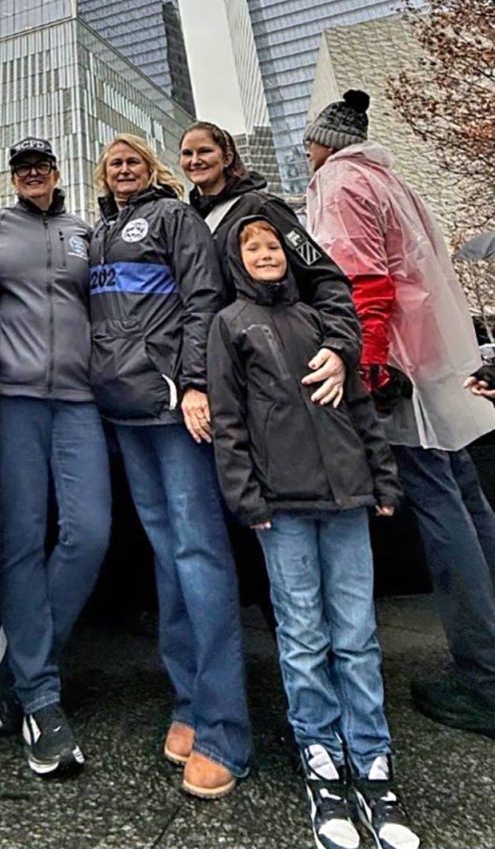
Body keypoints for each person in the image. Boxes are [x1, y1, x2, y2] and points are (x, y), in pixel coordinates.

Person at [209, 217, 418, 849]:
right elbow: (229, 418)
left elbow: (359, 404)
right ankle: (322, 764)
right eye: (253, 247)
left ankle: (372, 764)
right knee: (302, 635)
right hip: (283, 505)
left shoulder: (322, 322)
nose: (266, 253)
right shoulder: (230, 325)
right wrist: (247, 497)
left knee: (356, 635)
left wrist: (383, 480)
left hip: (348, 497)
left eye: (274, 245)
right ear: (236, 262)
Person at [305, 89, 495, 738]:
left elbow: (359, 280)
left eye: (308, 145)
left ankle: (483, 677)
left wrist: (369, 366)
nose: (306, 155)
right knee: (467, 496)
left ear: (323, 144)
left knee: (439, 504)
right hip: (438, 357)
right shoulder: (392, 181)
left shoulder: (336, 182)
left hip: (399, 364)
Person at [88, 134, 251, 799]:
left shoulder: (173, 218)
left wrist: (192, 383)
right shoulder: (98, 233)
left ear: (150, 169)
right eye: (112, 163)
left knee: (199, 556)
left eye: (132, 160)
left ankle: (225, 732)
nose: (122, 169)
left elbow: (201, 302)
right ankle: (187, 703)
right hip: (120, 414)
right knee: (167, 559)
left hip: (171, 410)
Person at [0, 137, 110, 775]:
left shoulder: (86, 229)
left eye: (42, 165)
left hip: (81, 399)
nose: (32, 173)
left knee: (89, 534)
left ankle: (24, 654)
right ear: (14, 176)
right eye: (21, 166)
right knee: (23, 538)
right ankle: (40, 697)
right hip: (15, 398)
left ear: (58, 173)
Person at [179, 120, 361, 401]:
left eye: (204, 151)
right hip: (229, 365)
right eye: (187, 154)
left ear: (226, 157)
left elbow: (323, 275)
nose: (195, 161)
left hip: (286, 359)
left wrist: (339, 344)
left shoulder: (263, 207)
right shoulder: (189, 221)